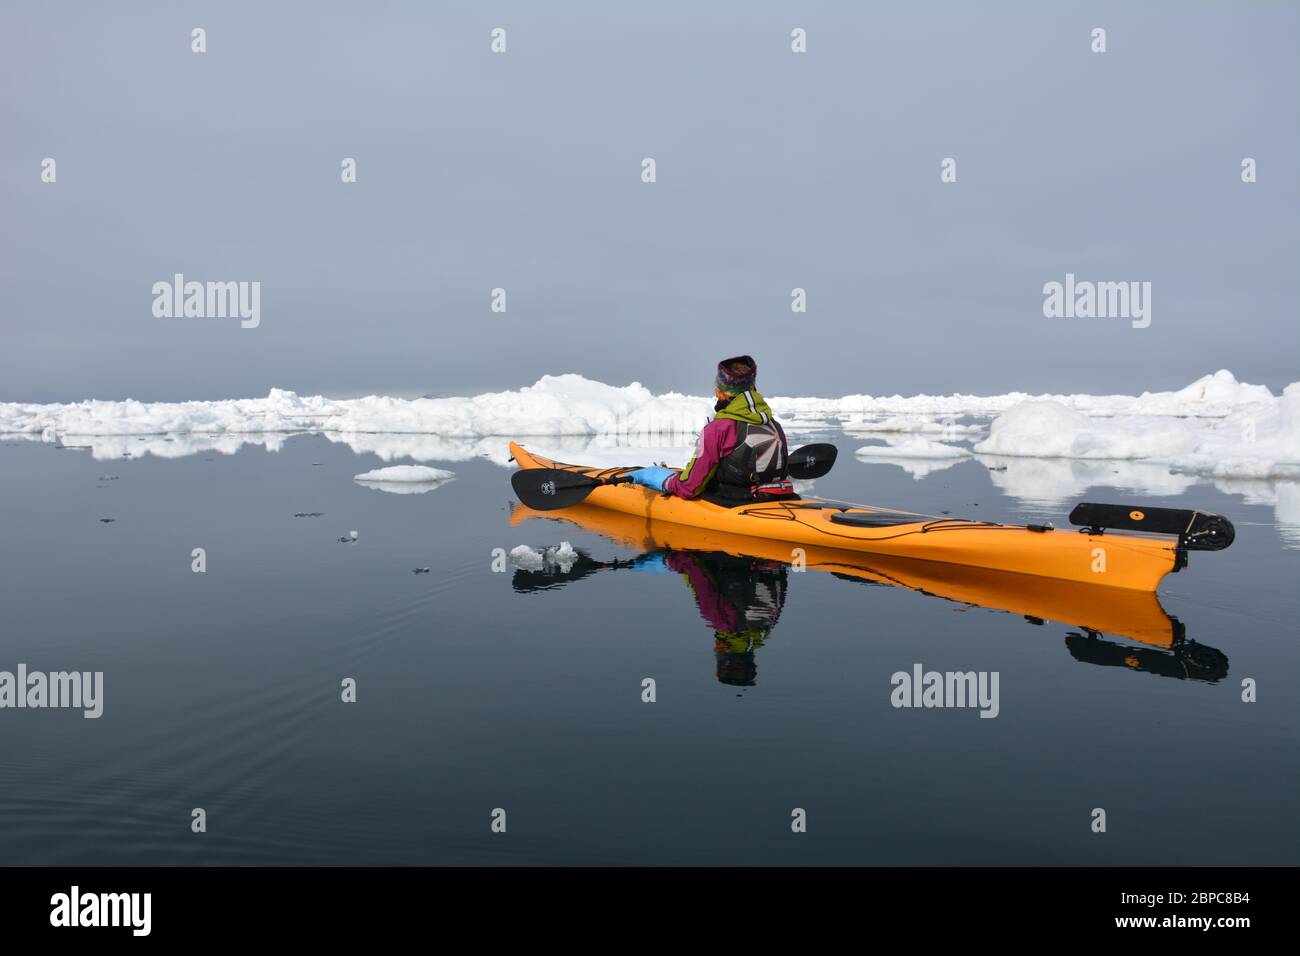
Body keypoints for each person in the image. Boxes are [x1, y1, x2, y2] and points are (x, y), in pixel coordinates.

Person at [626, 355, 794, 503]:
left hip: (733, 501)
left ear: (720, 392)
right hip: (772, 497)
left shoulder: (717, 429)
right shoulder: (774, 425)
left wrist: (661, 479)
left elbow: (689, 488)